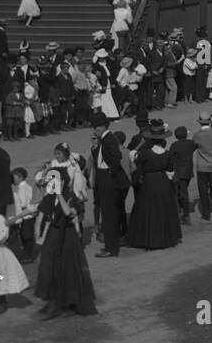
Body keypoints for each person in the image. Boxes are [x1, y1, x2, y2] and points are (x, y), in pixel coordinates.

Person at [34, 167, 96, 318]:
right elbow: (39, 216)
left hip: (68, 238)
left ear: (62, 181)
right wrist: (38, 237)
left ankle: (67, 302)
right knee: (49, 268)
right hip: (53, 236)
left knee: (67, 269)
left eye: (55, 180)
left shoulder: (71, 196)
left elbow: (68, 212)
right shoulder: (49, 197)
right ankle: (54, 301)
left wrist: (59, 194)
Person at [127, 138, 184, 248]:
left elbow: (134, 159)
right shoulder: (167, 154)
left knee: (148, 209)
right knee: (163, 208)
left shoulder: (145, 153)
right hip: (163, 182)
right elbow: (171, 172)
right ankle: (165, 238)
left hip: (148, 182)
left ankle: (147, 238)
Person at [90, 112, 128, 257]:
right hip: (106, 178)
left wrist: (110, 172)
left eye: (97, 126)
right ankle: (113, 244)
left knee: (109, 215)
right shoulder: (104, 139)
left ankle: (111, 247)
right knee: (110, 214)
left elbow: (116, 157)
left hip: (108, 179)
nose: (95, 129)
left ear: (104, 126)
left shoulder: (109, 139)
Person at [10, 168, 38, 262]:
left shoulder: (24, 188)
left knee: (27, 236)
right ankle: (27, 254)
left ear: (20, 177)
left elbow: (25, 203)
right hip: (26, 215)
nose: (13, 179)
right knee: (25, 235)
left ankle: (28, 256)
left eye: (14, 177)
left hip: (27, 216)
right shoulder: (24, 187)